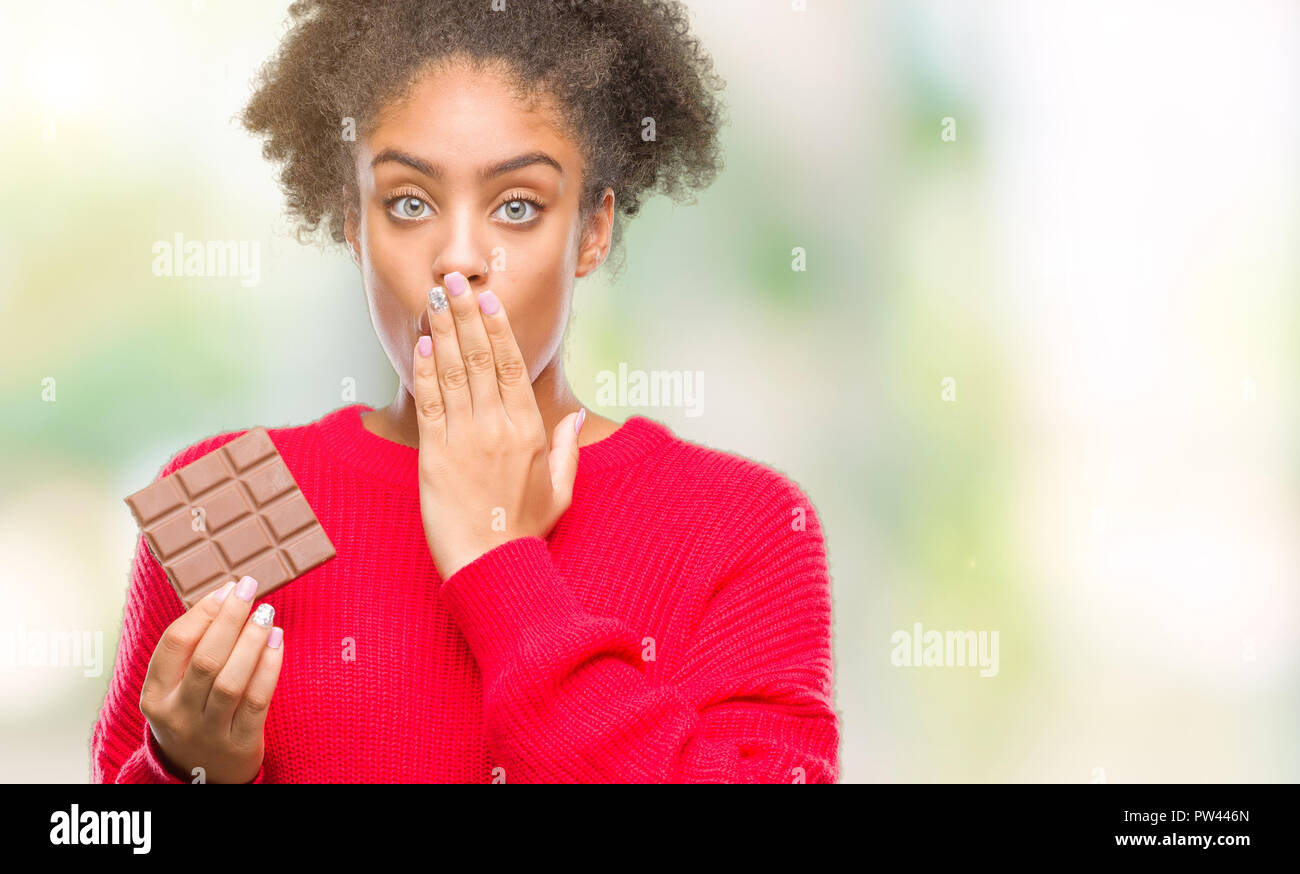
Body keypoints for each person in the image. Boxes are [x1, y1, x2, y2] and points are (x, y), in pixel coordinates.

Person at [92, 0, 838, 783]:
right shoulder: (230, 497)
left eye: (517, 207)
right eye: (408, 203)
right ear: (353, 221)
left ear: (592, 231)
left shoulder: (743, 526)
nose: (457, 258)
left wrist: (498, 561)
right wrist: (183, 770)